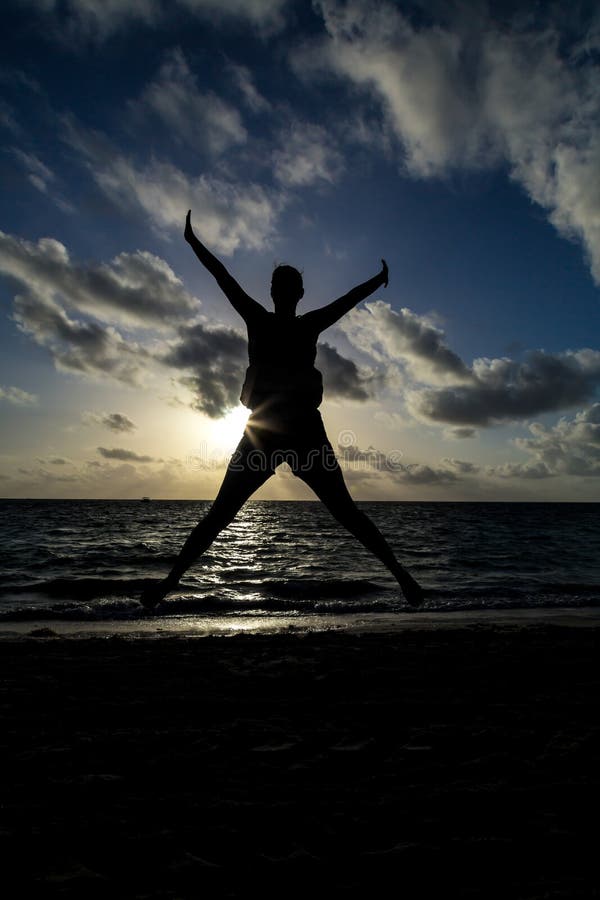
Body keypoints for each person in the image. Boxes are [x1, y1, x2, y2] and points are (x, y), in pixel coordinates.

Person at [140, 210, 424, 609]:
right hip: (271, 433)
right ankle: (403, 577)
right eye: (279, 284)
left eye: (285, 285)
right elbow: (224, 277)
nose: (282, 290)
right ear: (278, 292)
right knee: (228, 514)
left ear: (293, 293)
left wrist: (377, 282)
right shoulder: (274, 320)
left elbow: (342, 300)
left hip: (293, 433)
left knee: (332, 512)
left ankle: (403, 577)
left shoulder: (292, 323)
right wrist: (192, 242)